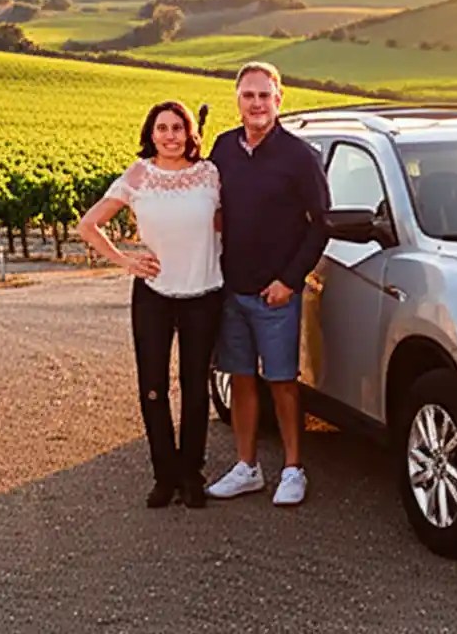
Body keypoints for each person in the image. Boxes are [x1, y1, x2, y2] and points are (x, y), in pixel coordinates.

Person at [77, 100, 223, 510]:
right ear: (151, 133)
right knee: (154, 388)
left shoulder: (209, 174)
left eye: (178, 127)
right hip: (154, 296)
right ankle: (164, 475)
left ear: (190, 133)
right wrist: (125, 260)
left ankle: (191, 474)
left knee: (196, 390)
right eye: (162, 128)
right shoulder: (139, 175)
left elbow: (225, 223)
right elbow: (89, 225)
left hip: (204, 294)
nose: (170, 135)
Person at [204, 62, 331, 506]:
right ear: (237, 101)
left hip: (274, 293)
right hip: (231, 289)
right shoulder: (222, 149)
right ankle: (247, 467)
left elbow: (320, 226)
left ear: (280, 99)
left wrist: (289, 281)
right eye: (248, 96)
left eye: (264, 95)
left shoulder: (299, 156)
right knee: (240, 378)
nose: (256, 104)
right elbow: (212, 210)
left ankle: (293, 469)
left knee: (282, 382)